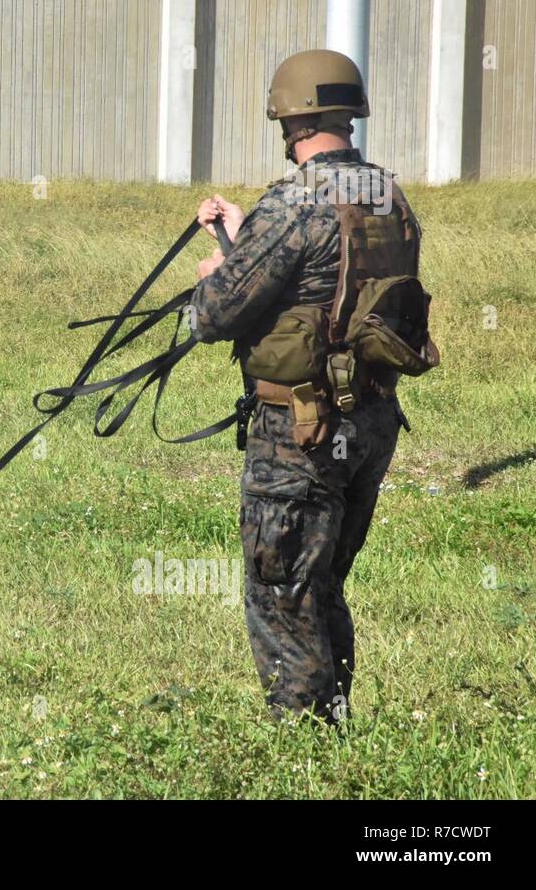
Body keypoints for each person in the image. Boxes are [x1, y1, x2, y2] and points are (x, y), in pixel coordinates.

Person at [187, 49, 432, 724]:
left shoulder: (296, 203)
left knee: (282, 590)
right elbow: (336, 294)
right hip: (370, 422)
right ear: (348, 114)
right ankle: (336, 719)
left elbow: (215, 315)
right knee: (320, 584)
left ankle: (303, 746)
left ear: (290, 117)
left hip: (301, 433)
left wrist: (216, 272)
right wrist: (245, 240)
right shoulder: (388, 195)